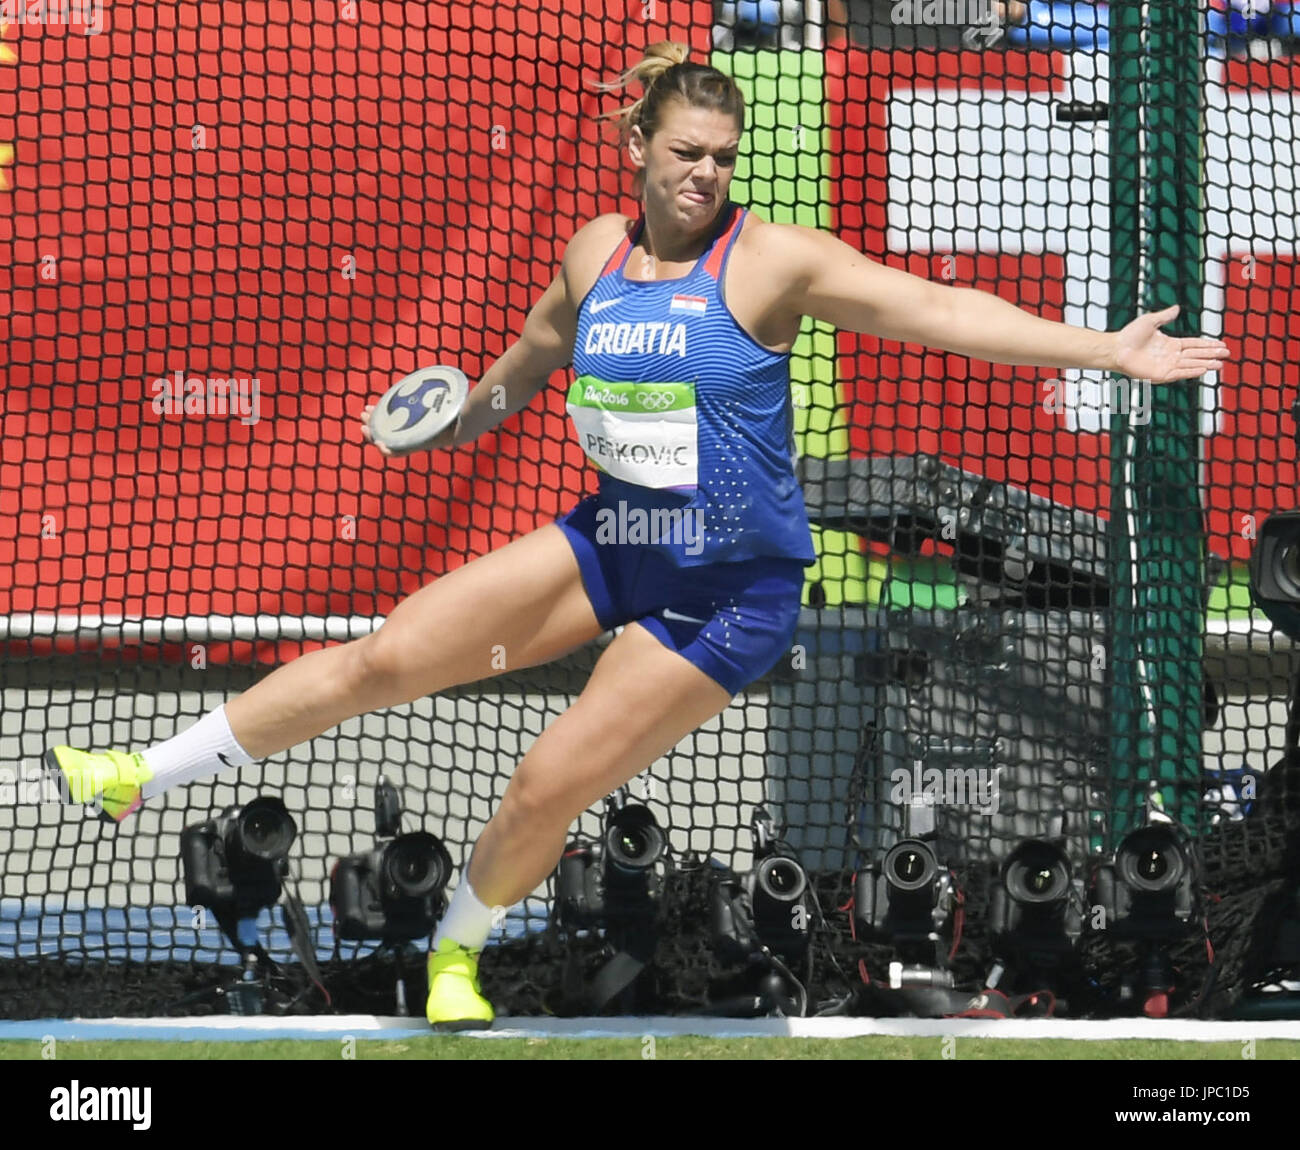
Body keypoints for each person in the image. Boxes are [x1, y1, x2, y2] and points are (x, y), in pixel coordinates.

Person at [45, 40, 1229, 1029]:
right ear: (639, 152)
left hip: (729, 592)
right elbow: (534, 349)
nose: (705, 175)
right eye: (684, 155)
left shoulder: (769, 262)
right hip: (610, 537)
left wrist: (1107, 350)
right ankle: (136, 774)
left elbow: (939, 312)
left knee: (541, 782)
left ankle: (452, 957)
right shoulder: (594, 251)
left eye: (722, 158)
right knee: (386, 656)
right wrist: (470, 416)